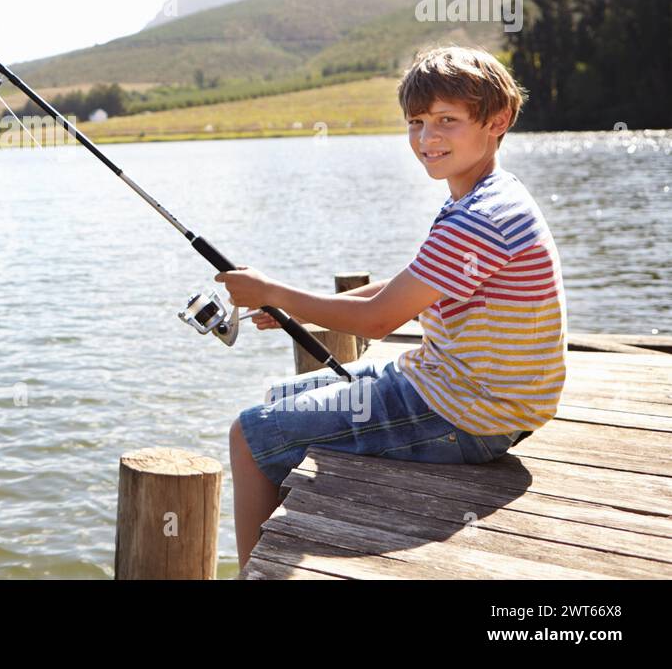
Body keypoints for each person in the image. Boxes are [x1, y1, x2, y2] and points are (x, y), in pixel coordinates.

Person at [216, 44, 568, 573]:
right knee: (279, 397)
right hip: (463, 390)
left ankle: (255, 573)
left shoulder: (480, 218)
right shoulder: (488, 196)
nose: (427, 139)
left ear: (498, 121)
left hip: (467, 413)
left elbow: (380, 319)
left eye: (446, 121)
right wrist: (299, 310)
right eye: (416, 123)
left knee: (249, 435)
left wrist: (276, 293)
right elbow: (405, 287)